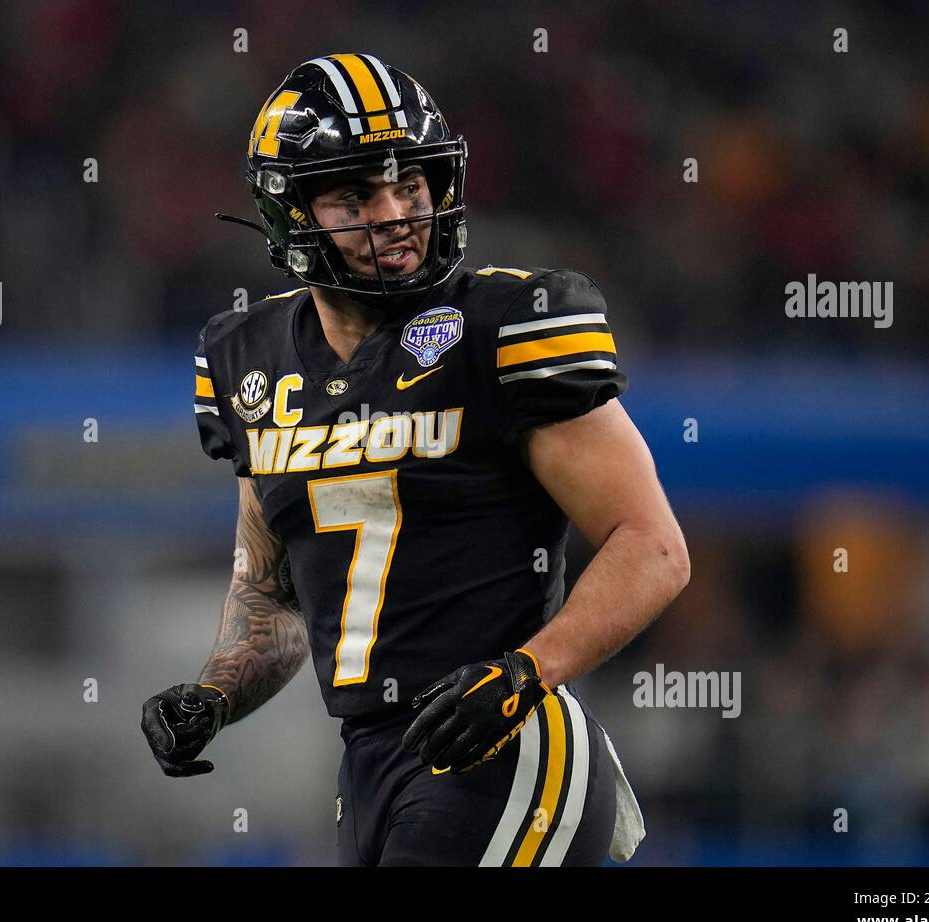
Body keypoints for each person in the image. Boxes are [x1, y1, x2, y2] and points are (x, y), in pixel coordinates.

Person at [141, 53, 688, 866]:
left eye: (411, 183)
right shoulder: (250, 360)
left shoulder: (506, 324)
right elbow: (272, 592)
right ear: (288, 213)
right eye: (356, 193)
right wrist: (217, 692)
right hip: (371, 762)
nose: (395, 213)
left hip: (507, 742)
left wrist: (519, 676)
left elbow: (654, 548)